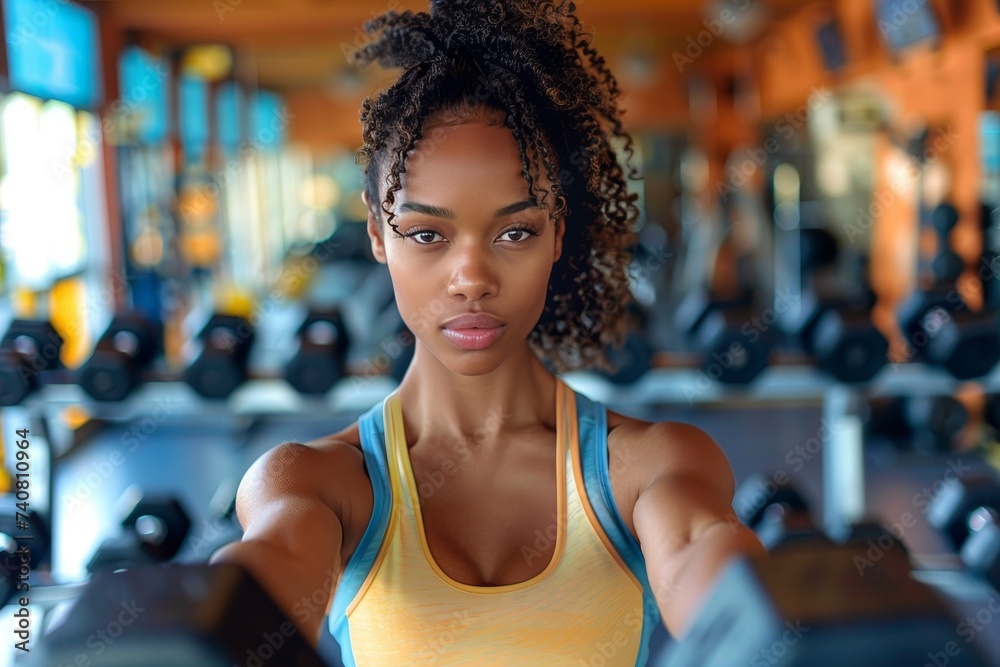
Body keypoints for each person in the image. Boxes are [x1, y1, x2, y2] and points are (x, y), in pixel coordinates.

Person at [212, 1, 765, 664]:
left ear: (558, 231)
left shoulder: (648, 468)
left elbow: (709, 559)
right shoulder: (320, 484)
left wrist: (775, 620)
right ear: (377, 235)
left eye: (515, 231)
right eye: (426, 234)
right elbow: (265, 571)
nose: (470, 277)